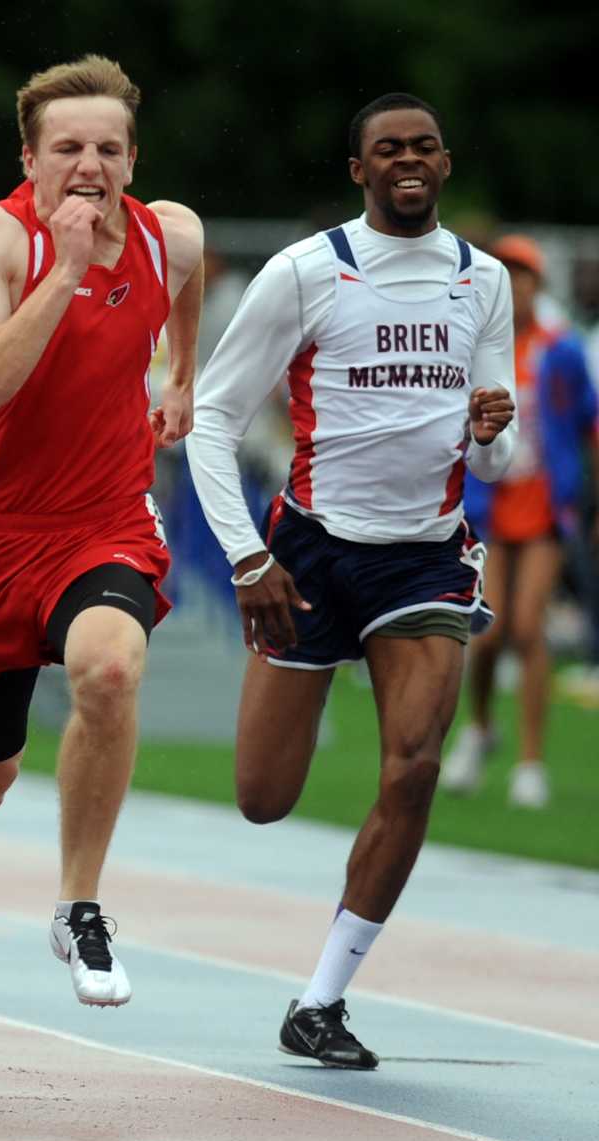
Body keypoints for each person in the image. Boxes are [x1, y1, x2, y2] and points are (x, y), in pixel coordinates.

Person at [185, 93, 517, 1069]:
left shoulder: (481, 280)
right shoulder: (305, 272)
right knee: (260, 795)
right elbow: (210, 418)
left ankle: (319, 999)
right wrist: (247, 557)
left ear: (443, 163)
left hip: (426, 558)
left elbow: (498, 455)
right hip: (310, 553)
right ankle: (318, 987)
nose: (405, 161)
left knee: (411, 766)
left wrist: (494, 437)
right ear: (357, 169)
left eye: (421, 146)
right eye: (386, 150)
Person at [0, 55, 203, 1010]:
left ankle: (79, 904)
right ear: (30, 158)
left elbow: (187, 280)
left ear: (132, 158)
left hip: (104, 521)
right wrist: (68, 270)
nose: (91, 165)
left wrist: (182, 375)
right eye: (69, 148)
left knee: (110, 670)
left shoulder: (172, 237)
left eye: (109, 148)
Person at [442, 236, 594, 806]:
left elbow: (588, 421)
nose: (518, 285)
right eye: (509, 274)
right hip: (489, 504)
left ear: (538, 284)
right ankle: (480, 728)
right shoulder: (473, 345)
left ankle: (531, 761)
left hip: (544, 504)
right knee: (485, 634)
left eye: (526, 275)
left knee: (528, 629)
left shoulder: (560, 349)